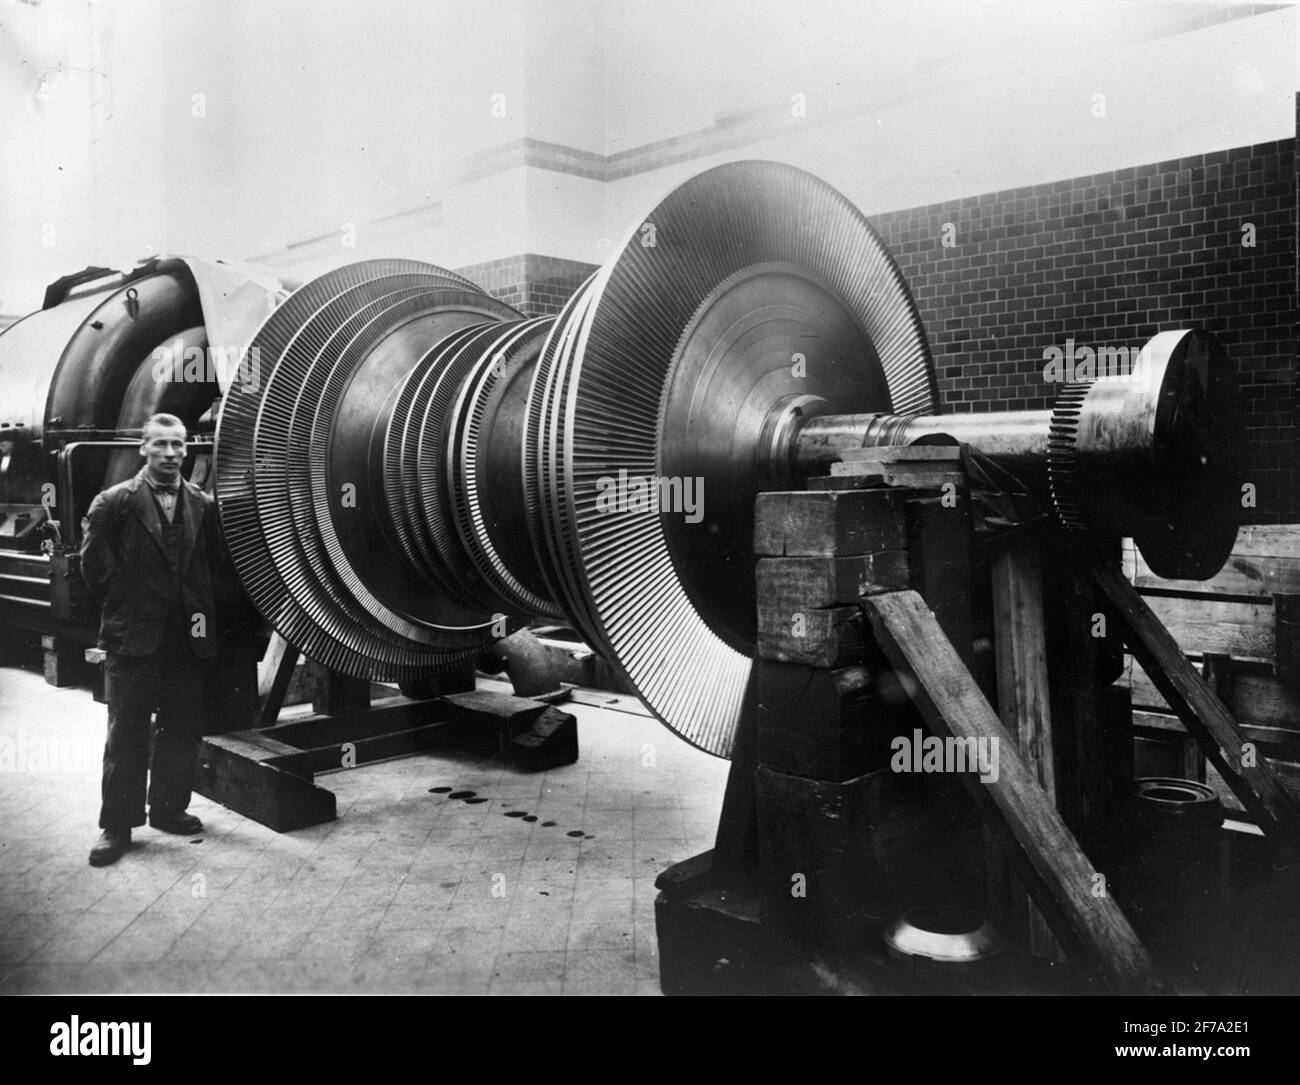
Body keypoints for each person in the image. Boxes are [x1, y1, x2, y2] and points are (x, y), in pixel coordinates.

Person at [81, 413, 222, 866]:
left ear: (187, 449)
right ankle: (117, 826)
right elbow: (92, 567)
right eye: (160, 444)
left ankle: (168, 808)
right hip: (133, 639)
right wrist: (127, 606)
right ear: (143, 448)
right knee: (126, 733)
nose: (170, 454)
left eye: (178, 445)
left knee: (181, 728)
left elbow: (211, 568)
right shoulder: (114, 502)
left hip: (186, 639)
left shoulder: (202, 503)